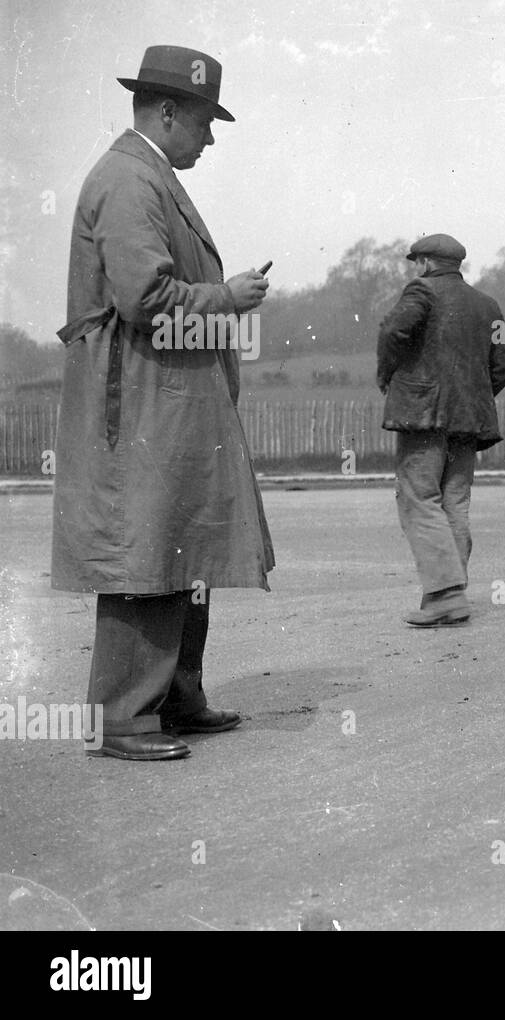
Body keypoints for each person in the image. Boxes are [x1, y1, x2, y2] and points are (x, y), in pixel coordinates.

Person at [52, 45, 274, 760]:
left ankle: (176, 698)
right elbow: (146, 299)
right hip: (143, 401)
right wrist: (228, 299)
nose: (209, 139)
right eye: (206, 122)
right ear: (169, 112)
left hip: (167, 399)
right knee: (143, 548)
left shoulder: (148, 176)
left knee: (181, 543)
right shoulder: (128, 180)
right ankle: (120, 717)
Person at [377, 234, 505, 626]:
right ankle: (452, 594)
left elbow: (392, 332)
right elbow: (502, 367)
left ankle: (443, 595)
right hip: (469, 422)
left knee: (419, 498)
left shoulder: (421, 291)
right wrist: (472, 397)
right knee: (455, 501)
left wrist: (389, 376)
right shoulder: (490, 306)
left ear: (424, 264)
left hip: (423, 416)